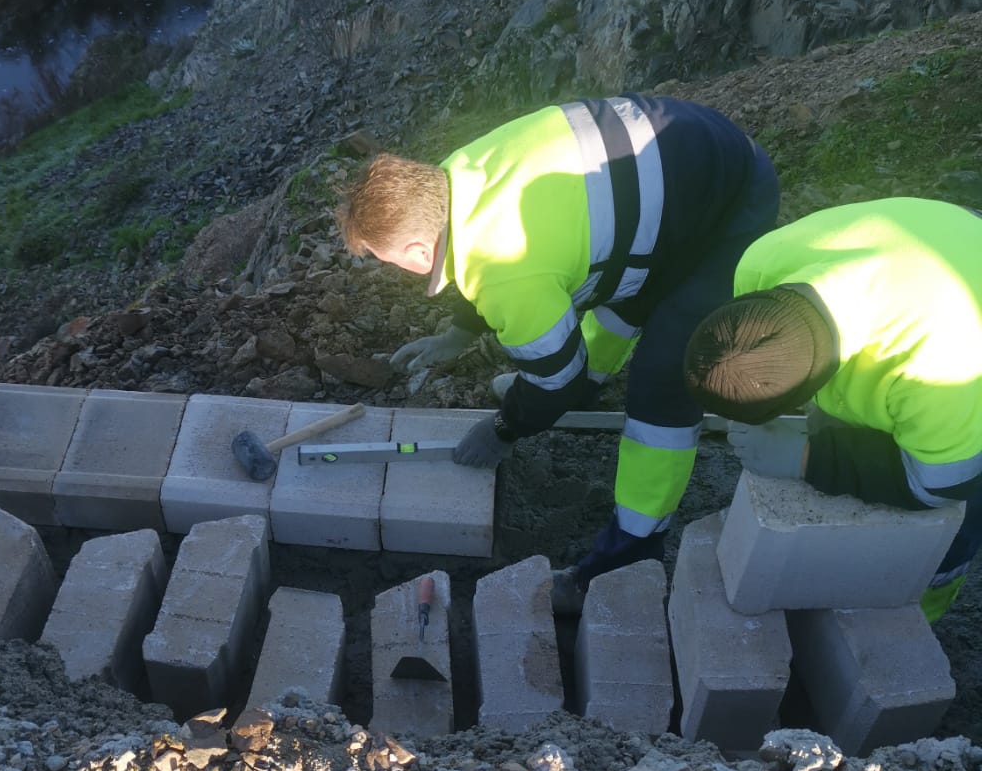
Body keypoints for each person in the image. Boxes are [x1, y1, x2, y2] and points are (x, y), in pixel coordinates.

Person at [338, 96, 779, 609]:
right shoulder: (461, 174)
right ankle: (595, 380)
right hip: (684, 159)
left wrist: (505, 429)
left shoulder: (508, 271)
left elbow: (552, 376)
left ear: (417, 252)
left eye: (387, 260)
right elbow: (487, 257)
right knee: (618, 301)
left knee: (662, 382)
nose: (391, 268)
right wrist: (459, 332)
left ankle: (629, 552)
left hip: (729, 208)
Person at [683, 197, 982, 621]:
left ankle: (917, 614)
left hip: (961, 307)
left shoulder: (938, 369)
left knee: (961, 516)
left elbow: (943, 486)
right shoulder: (762, 263)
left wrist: (810, 458)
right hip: (948, 246)